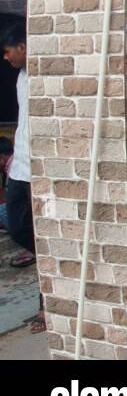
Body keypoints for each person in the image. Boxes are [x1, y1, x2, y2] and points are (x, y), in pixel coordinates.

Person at [3, 24, 44, 332]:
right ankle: (48, 257)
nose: (6, 58)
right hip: (20, 169)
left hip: (43, 170)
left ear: (24, 47)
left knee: (46, 238)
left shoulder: (44, 76)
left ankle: (47, 302)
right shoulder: (21, 77)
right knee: (18, 228)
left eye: (8, 51)